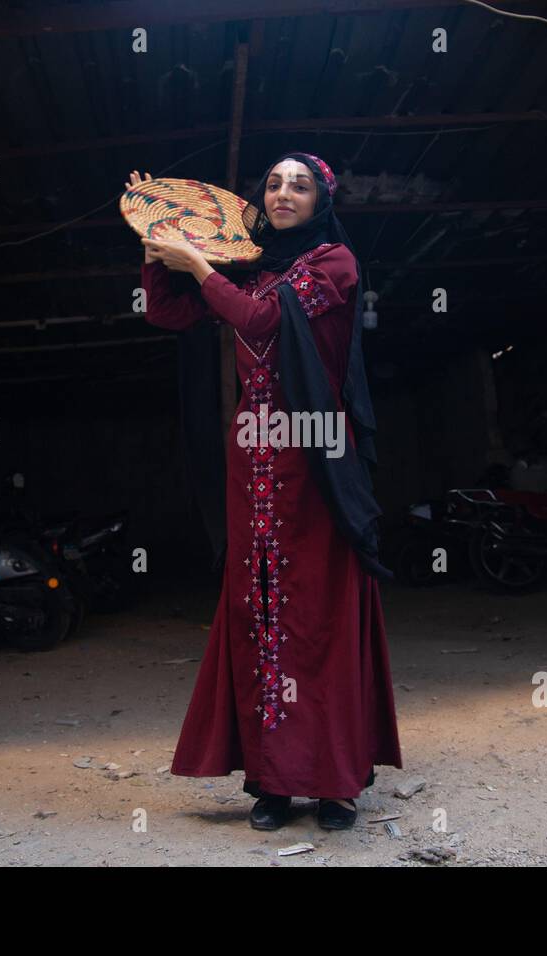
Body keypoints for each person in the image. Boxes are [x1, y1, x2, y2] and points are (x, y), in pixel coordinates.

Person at [128, 152, 403, 831]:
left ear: (321, 201)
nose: (284, 193)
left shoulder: (332, 263)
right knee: (262, 609)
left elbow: (260, 323)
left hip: (317, 453)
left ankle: (337, 783)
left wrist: (200, 266)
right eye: (275, 183)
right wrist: (156, 242)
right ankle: (274, 782)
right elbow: (165, 313)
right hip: (254, 456)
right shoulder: (248, 262)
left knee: (323, 614)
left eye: (300, 185)